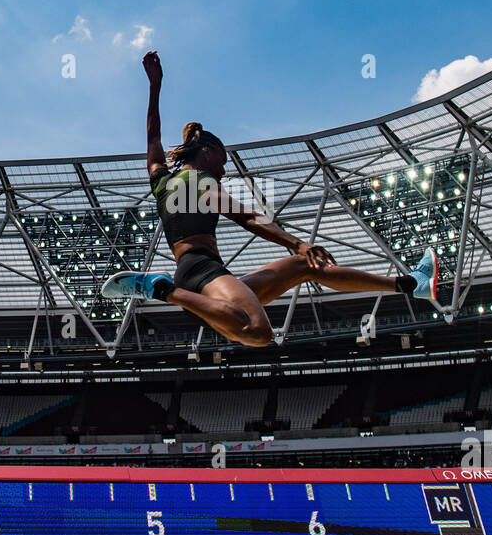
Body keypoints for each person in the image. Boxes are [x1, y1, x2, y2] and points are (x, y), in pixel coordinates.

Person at [101, 51, 438, 347]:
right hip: (200, 273)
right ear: (207, 152)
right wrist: (297, 243)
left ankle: (411, 284)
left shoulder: (162, 178)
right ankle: (160, 289)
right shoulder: (200, 182)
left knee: (307, 268)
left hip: (206, 277)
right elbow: (248, 218)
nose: (225, 166)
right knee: (258, 331)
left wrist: (155, 86)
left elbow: (153, 136)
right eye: (223, 158)